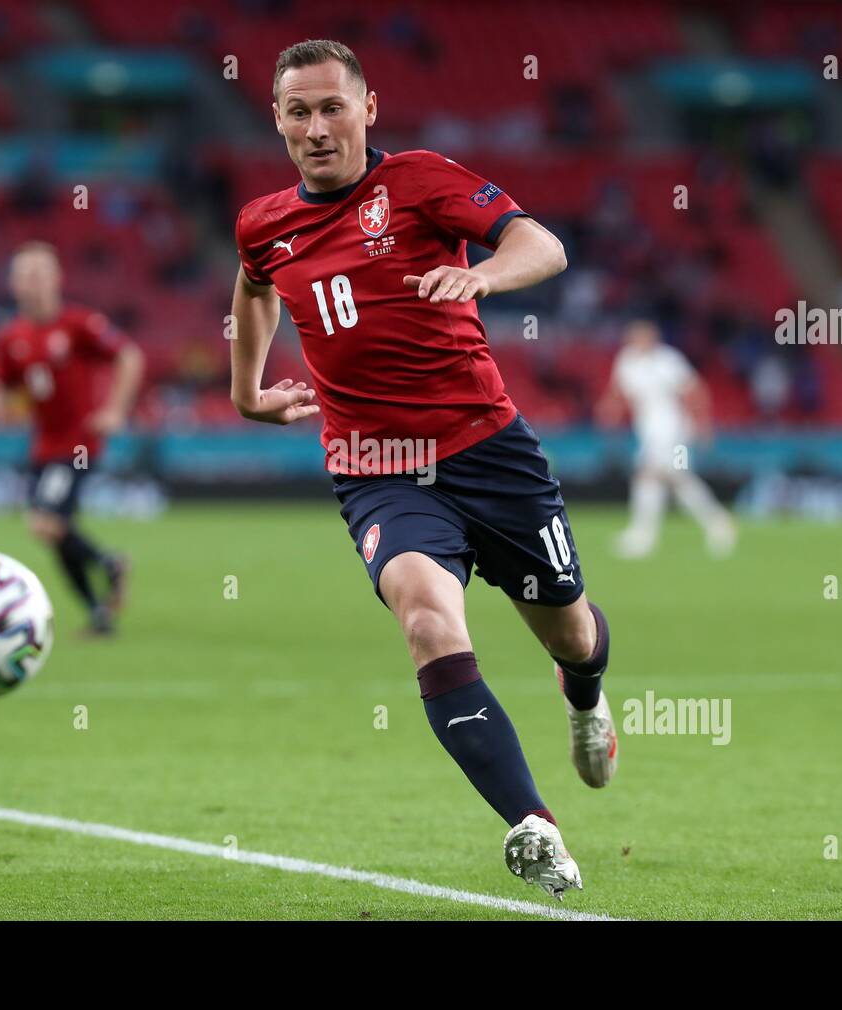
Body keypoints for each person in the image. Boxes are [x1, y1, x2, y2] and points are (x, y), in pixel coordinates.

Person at [230, 40, 615, 900]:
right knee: (427, 622)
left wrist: (482, 278)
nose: (318, 127)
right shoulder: (264, 222)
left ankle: (584, 694)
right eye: (300, 111)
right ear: (278, 121)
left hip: (488, 449)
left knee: (570, 630)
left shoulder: (423, 181)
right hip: (376, 466)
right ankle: (534, 825)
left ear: (369, 108)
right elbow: (254, 284)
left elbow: (542, 245)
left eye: (334, 107)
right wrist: (246, 390)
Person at [0, 241, 143, 634]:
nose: (31, 283)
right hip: (43, 446)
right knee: (55, 530)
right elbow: (7, 388)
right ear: (13, 284)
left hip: (79, 445)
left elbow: (129, 356)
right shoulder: (12, 337)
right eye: (23, 275)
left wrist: (116, 409)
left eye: (38, 274)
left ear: (56, 279)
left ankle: (108, 566)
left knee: (44, 522)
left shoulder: (79, 324)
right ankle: (100, 608)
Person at [599, 318, 737, 558]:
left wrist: (703, 425)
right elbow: (617, 392)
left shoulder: (668, 360)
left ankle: (643, 536)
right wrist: (609, 410)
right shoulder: (627, 361)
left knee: (649, 475)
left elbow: (695, 391)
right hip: (648, 431)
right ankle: (717, 523)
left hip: (674, 429)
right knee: (674, 479)